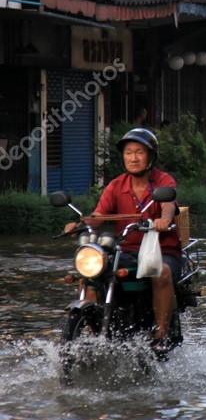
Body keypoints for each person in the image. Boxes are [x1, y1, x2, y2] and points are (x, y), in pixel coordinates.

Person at [65, 128, 180, 351]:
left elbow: (168, 205)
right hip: (125, 251)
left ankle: (160, 334)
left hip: (161, 249)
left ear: (150, 156)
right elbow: (99, 215)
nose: (133, 158)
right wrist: (80, 224)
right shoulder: (116, 185)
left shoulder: (163, 181)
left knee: (161, 271)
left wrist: (163, 220)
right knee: (90, 275)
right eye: (128, 153)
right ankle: (91, 329)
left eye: (139, 152)